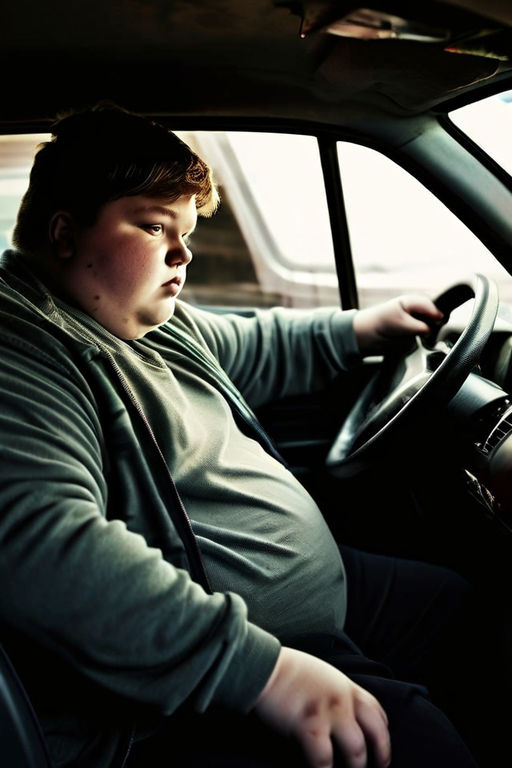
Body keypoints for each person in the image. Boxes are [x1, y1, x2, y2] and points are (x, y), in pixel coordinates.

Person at [0, 104, 492, 768]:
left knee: (460, 609)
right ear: (65, 233)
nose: (183, 253)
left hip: (313, 600)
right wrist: (260, 671)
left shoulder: (139, 314)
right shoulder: (23, 348)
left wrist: (368, 327)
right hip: (218, 666)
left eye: (187, 232)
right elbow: (43, 545)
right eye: (155, 226)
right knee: (422, 749)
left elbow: (256, 345)